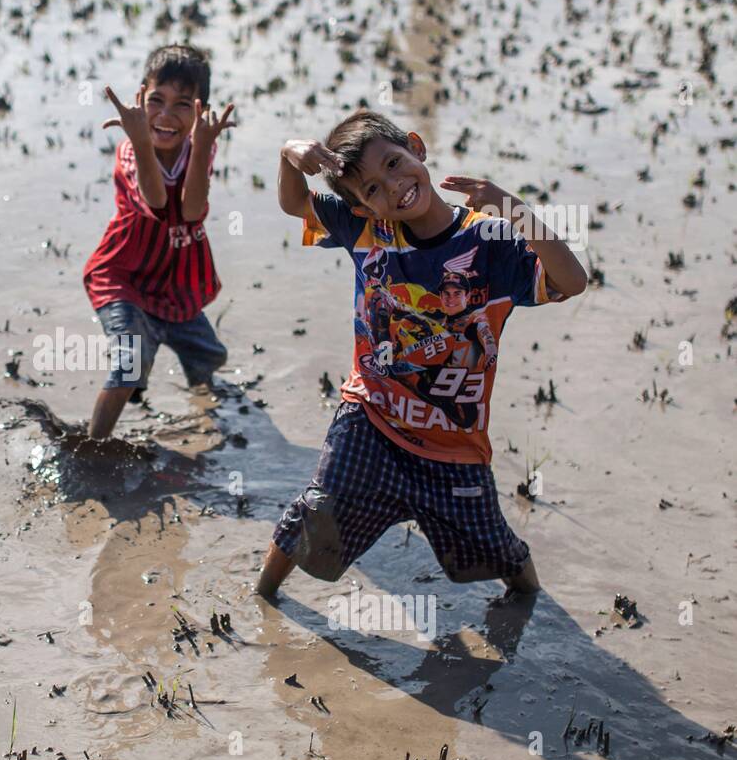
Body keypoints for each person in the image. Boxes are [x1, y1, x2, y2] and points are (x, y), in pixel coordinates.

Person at [259, 109, 587, 599]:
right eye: (371, 189)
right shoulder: (365, 231)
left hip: (453, 439)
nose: (391, 186)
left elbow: (572, 281)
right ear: (364, 208)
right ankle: (261, 597)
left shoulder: (487, 241)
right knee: (317, 509)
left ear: (416, 146)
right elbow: (293, 203)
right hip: (371, 416)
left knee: (494, 550)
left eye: (393, 164)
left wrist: (512, 207)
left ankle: (530, 603)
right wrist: (289, 152)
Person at [82, 44, 235, 439]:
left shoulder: (202, 145)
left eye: (183, 104)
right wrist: (142, 142)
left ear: (200, 110)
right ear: (139, 99)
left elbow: (190, 211)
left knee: (210, 356)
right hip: (125, 275)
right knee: (129, 362)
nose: (166, 116)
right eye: (156, 101)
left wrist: (201, 147)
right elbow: (155, 201)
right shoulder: (130, 150)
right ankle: (93, 448)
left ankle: (205, 405)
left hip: (178, 279)